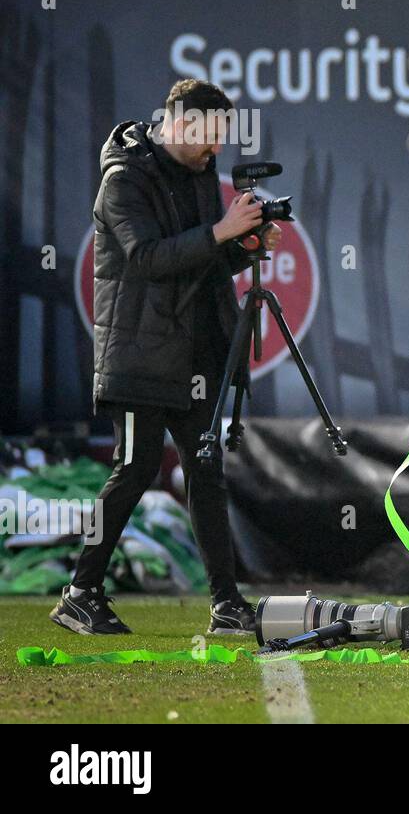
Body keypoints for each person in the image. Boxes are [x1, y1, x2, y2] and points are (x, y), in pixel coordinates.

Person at [51, 79, 279, 636]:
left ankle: (227, 604)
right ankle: (81, 593)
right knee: (136, 468)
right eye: (210, 139)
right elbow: (149, 260)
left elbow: (197, 264)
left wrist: (241, 250)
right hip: (139, 356)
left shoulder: (199, 176)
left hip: (196, 354)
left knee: (207, 473)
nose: (215, 151)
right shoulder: (123, 180)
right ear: (179, 124)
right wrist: (222, 230)